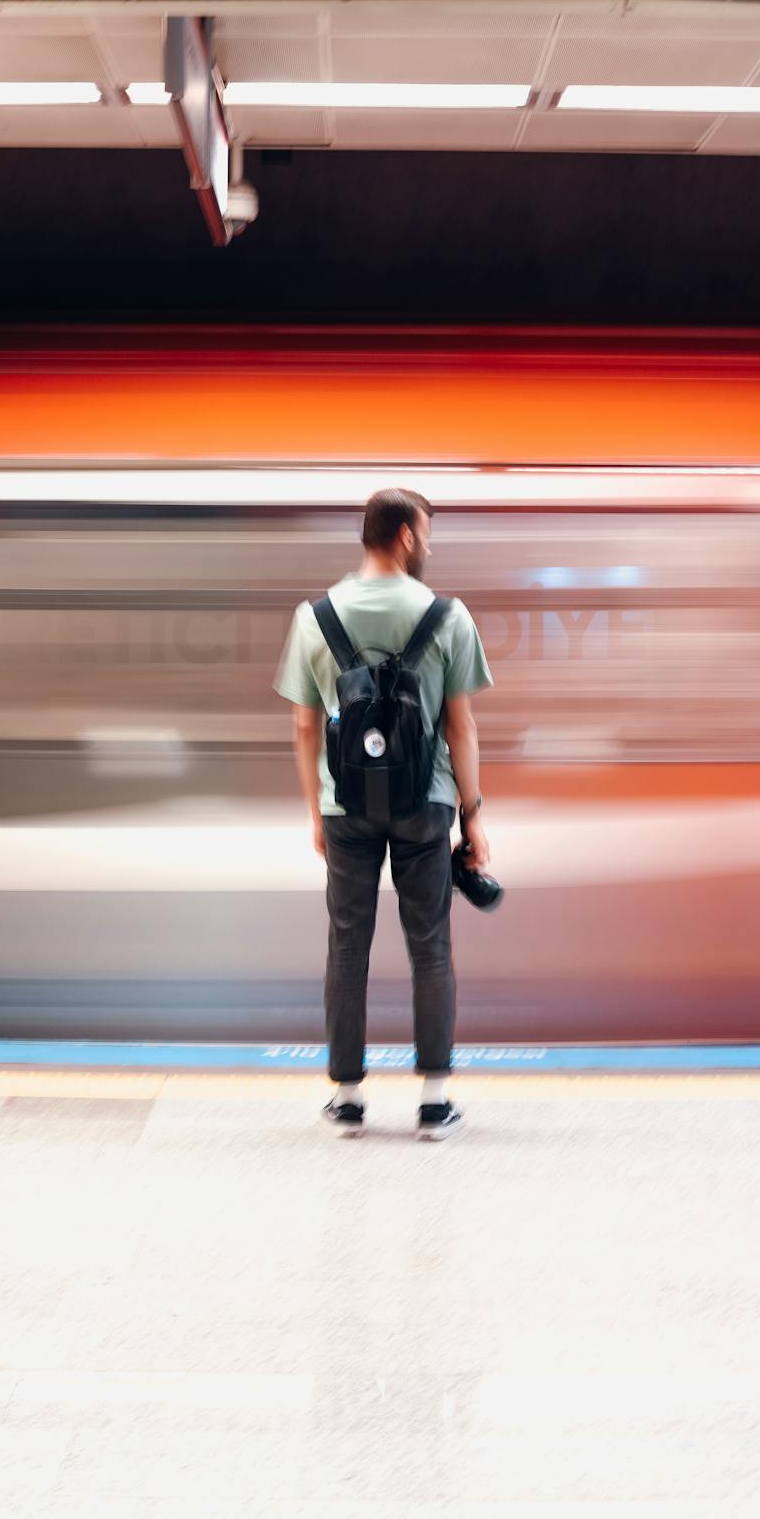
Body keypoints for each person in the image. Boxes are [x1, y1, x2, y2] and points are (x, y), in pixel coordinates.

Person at [274, 487, 493, 1140]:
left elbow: (303, 726)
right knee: (431, 946)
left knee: (347, 945)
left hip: (345, 805)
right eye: (427, 534)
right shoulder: (447, 616)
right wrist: (473, 816)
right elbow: (461, 725)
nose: (429, 546)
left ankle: (347, 1098)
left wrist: (316, 811)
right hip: (426, 802)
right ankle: (434, 1102)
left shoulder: (314, 617)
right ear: (404, 536)